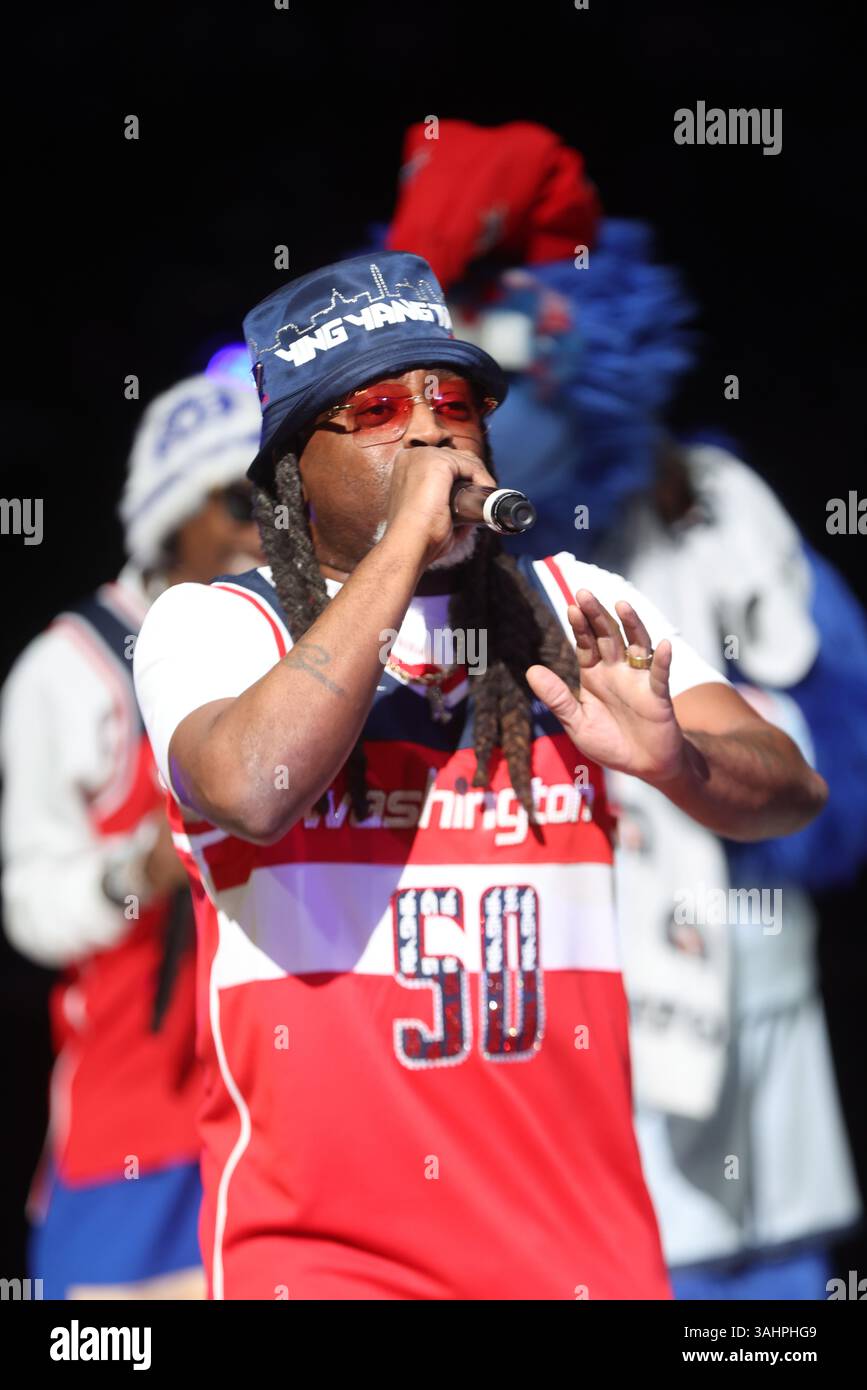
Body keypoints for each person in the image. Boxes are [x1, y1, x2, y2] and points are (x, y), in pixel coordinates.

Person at [132, 250, 826, 1300]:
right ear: (289, 467)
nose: (430, 429)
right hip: (325, 1265)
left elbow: (791, 787)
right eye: (374, 407)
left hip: (583, 1263)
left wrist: (677, 761)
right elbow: (254, 784)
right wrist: (407, 539)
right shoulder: (220, 626)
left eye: (453, 397)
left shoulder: (569, 601)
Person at [380, 119, 866, 1297]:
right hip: (516, 1080)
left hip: (745, 1066)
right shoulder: (394, 576)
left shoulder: (713, 509)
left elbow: (839, 792)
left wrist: (720, 745)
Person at [0, 366, 263, 1299]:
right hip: (137, 1137)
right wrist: (137, 871)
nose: (261, 522)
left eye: (279, 493)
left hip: (280, 1113)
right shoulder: (70, 670)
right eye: (239, 496)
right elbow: (32, 909)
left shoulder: (304, 642)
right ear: (170, 509)